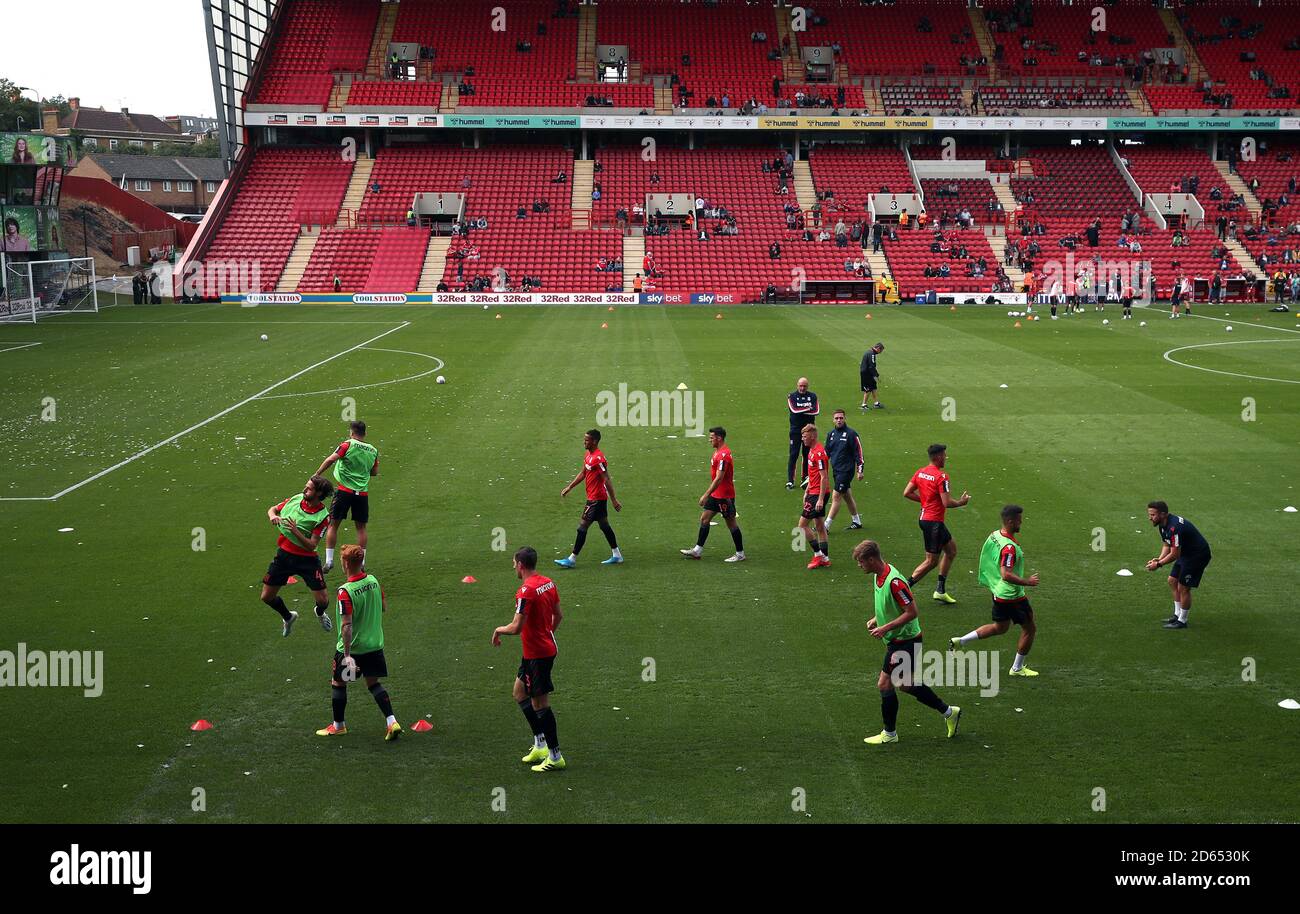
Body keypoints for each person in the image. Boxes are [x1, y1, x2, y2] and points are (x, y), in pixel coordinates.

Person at [856, 540, 962, 745]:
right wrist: (877, 618)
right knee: (904, 684)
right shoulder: (879, 575)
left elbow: (912, 612)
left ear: (871, 559)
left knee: (885, 683)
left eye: (861, 562)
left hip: (905, 641)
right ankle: (949, 712)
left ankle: (890, 733)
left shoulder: (895, 581)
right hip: (898, 639)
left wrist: (885, 627)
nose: (859, 566)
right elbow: (890, 605)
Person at [315, 545, 401, 740]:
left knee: (339, 682)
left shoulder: (345, 591)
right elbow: (384, 607)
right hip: (374, 645)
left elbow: (346, 626)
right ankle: (391, 722)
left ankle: (339, 726)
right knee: (373, 683)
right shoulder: (374, 581)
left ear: (345, 563)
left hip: (354, 649)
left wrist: (346, 656)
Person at [492, 546, 566, 772]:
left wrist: (498, 630)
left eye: (514, 563)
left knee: (539, 703)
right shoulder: (548, 583)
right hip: (539, 650)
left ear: (521, 565)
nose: (513, 566)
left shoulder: (525, 591)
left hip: (538, 655)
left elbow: (516, 627)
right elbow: (559, 615)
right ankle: (540, 744)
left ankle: (555, 756)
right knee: (519, 692)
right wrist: (547, 633)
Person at [952, 504, 1041, 676]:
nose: (1020, 523)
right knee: (1030, 629)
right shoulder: (1009, 548)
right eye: (1018, 520)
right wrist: (1027, 582)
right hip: (1011, 595)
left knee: (1000, 628)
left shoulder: (995, 535)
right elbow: (1006, 574)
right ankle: (1017, 668)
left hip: (998, 593)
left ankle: (961, 641)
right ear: (1010, 521)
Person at [261, 475, 336, 637]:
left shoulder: (323, 517)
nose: (304, 490)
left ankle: (319, 612)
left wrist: (296, 531)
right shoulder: (296, 499)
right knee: (266, 597)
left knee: (323, 601)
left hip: (307, 560)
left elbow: (312, 545)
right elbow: (273, 509)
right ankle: (288, 617)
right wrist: (273, 516)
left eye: (309, 488)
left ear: (319, 493)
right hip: (284, 556)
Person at [903, 444, 971, 603]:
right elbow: (946, 502)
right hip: (934, 523)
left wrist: (925, 501)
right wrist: (961, 502)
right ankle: (903, 589)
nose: (946, 458)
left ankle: (940, 590)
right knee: (931, 561)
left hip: (927, 519)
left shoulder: (920, 472)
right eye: (944, 455)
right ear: (938, 457)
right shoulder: (942, 477)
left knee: (951, 550)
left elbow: (906, 493)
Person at [316, 420, 379, 574]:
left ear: (351, 432)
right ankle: (362, 562)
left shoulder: (347, 445)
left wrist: (317, 474)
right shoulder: (373, 450)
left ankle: (329, 561)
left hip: (344, 491)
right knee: (361, 528)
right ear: (365, 433)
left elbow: (331, 459)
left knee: (333, 525)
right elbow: (374, 472)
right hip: (362, 494)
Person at [555, 429, 623, 567]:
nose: (584, 442)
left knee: (582, 527)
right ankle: (617, 555)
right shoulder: (588, 455)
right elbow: (583, 473)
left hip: (596, 499)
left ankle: (572, 559)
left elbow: (607, 479)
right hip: (596, 498)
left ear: (594, 441)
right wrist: (570, 487)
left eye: (586, 440)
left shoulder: (598, 459)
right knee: (604, 526)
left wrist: (614, 499)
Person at [679, 426, 745, 562]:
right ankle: (697, 550)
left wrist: (706, 494)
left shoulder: (723, 455)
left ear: (719, 438)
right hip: (716, 494)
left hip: (724, 496)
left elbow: (719, 478)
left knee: (731, 524)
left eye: (712, 437)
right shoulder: (718, 452)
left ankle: (740, 554)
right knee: (704, 519)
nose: (710, 440)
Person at [1146, 501, 1212, 629]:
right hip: (1186, 553)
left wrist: (1159, 564)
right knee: (1172, 580)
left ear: (1163, 514)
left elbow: (1175, 554)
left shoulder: (1174, 527)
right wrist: (1158, 559)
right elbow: (1166, 544)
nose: (1150, 518)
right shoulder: (1162, 524)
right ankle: (1177, 614)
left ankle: (1182, 621)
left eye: (1153, 515)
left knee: (1183, 587)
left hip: (1197, 555)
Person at [824, 410, 864, 532]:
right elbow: (827, 453)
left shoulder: (851, 434)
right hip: (836, 470)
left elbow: (859, 453)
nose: (839, 420)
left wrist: (860, 470)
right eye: (836, 418)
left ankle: (825, 526)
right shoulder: (831, 434)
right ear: (833, 420)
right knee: (847, 496)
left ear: (845, 418)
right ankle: (857, 521)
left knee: (836, 496)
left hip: (846, 471)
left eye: (841, 418)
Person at [798, 424, 831, 569]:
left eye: (804, 437)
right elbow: (814, 475)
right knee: (819, 525)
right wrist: (807, 490)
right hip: (813, 492)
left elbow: (824, 477)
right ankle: (825, 558)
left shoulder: (819, 453)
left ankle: (818, 555)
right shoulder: (811, 451)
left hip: (818, 494)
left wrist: (820, 499)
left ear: (812, 436)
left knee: (802, 525)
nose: (802, 439)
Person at [786, 377, 819, 488]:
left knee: (807, 454)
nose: (802, 388)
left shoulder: (813, 396)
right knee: (793, 454)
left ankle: (805, 477)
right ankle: (790, 480)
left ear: (807, 386)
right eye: (800, 385)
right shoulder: (792, 396)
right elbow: (794, 410)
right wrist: (807, 409)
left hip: (809, 431)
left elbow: (816, 411)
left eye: (804, 386)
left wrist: (804, 410)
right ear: (797, 385)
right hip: (795, 431)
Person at [860, 341, 884, 410]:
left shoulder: (868, 352)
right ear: (878, 348)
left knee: (873, 387)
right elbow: (871, 366)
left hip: (867, 373)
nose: (880, 352)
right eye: (881, 351)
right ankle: (863, 405)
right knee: (868, 389)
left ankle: (876, 403)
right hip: (867, 374)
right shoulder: (872, 354)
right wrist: (876, 375)